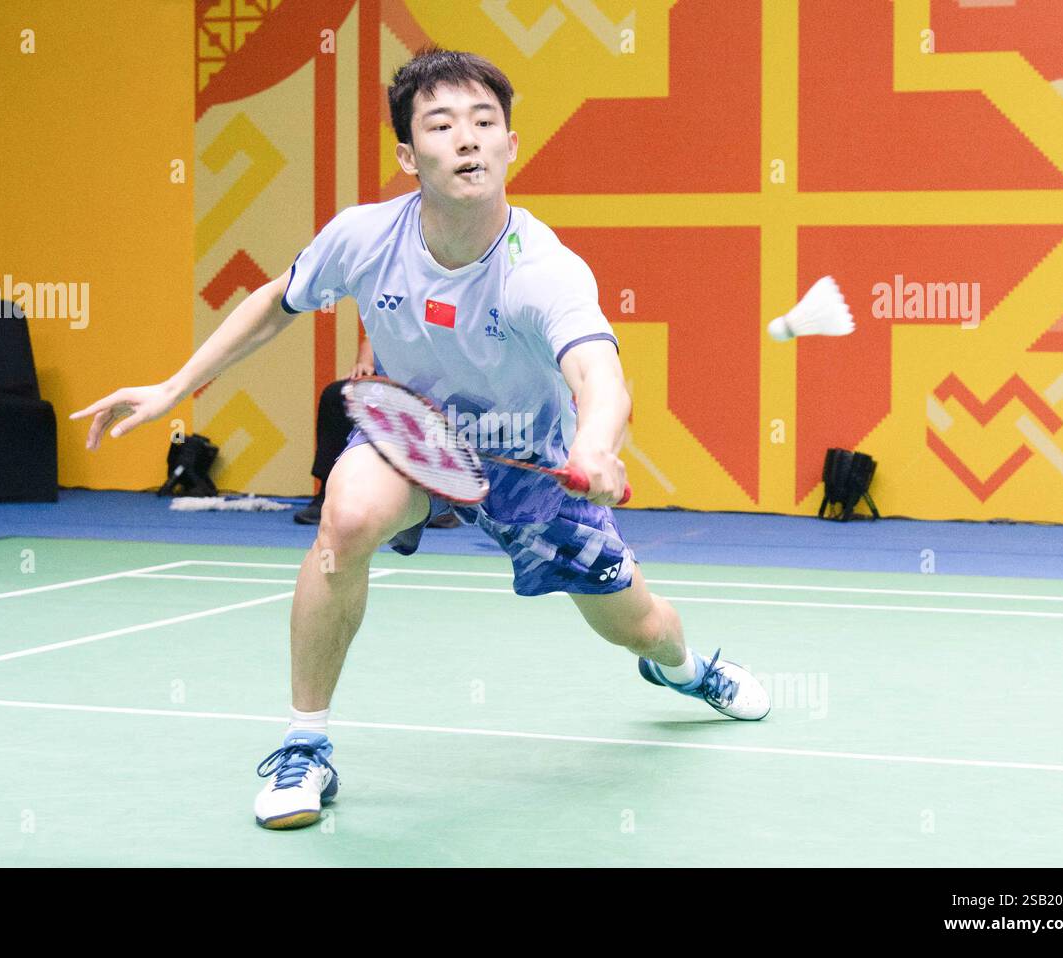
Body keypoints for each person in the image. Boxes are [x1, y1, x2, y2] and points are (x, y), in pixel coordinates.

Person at [72, 48, 770, 831]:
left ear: (511, 145)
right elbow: (279, 299)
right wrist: (174, 387)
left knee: (641, 624)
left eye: (484, 122)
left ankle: (686, 671)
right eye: (441, 125)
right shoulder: (365, 238)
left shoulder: (542, 269)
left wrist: (599, 442)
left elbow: (597, 373)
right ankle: (307, 745)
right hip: (417, 437)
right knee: (347, 518)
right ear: (409, 156)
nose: (467, 139)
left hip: (531, 464)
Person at [295, 334, 459, 529]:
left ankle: (444, 502)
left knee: (454, 405)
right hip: (393, 383)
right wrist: (364, 363)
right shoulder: (397, 306)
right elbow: (373, 335)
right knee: (337, 395)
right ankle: (327, 495)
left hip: (445, 385)